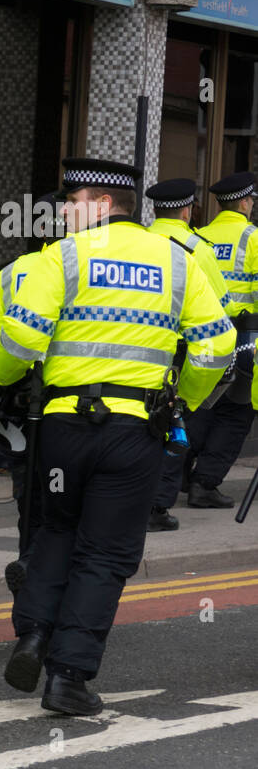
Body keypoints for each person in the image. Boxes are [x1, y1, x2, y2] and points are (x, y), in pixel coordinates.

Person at [0, 157, 233, 715]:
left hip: (63, 427)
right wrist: (184, 402)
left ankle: (33, 634)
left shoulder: (62, 258)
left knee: (55, 533)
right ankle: (68, 677)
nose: (65, 214)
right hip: (134, 429)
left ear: (99, 204)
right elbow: (217, 349)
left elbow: (23, 337)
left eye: (72, 203)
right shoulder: (178, 262)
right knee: (105, 552)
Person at [0, 190, 62, 593]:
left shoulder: (13, 273)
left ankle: (32, 575)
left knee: (34, 503)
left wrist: (3, 371)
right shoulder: (94, 269)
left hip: (27, 412)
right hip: (96, 411)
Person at [143, 178, 235, 531]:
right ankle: (156, 508)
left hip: (142, 348)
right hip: (180, 354)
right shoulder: (199, 249)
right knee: (173, 426)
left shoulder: (139, 242)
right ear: (186, 210)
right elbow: (220, 308)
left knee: (139, 427)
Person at [183, 171, 257, 508]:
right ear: (244, 202)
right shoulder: (253, 238)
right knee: (236, 414)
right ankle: (205, 482)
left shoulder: (198, 236)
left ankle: (180, 471)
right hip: (245, 338)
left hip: (203, 337)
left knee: (200, 407)